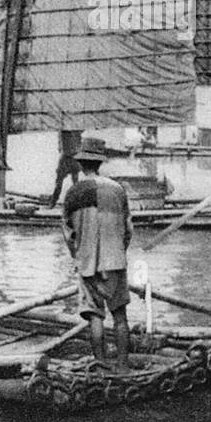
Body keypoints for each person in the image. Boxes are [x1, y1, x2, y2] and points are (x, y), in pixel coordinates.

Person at [61, 137, 132, 370]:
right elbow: (128, 230)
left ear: (81, 164)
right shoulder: (118, 190)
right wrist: (119, 252)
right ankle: (123, 366)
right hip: (115, 261)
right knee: (120, 316)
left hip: (87, 261)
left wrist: (78, 255)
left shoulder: (72, 193)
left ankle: (100, 365)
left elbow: (68, 234)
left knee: (95, 316)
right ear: (100, 163)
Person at [48, 129, 83, 207]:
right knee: (61, 182)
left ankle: (53, 202)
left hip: (72, 157)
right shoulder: (68, 129)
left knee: (74, 182)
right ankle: (53, 202)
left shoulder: (72, 129)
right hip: (68, 157)